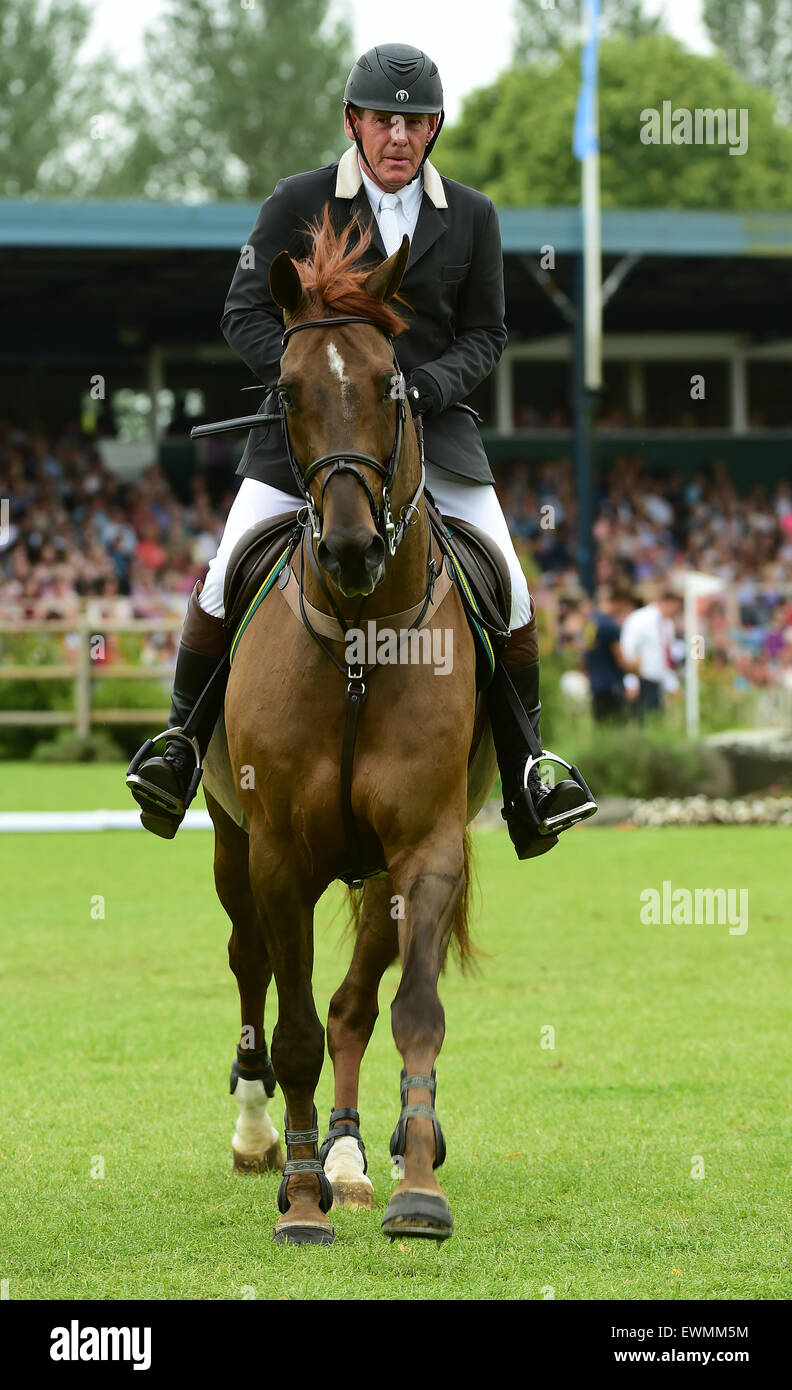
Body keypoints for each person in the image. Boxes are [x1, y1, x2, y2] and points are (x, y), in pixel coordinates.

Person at [127, 42, 597, 857]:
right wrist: (316, 383)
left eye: (415, 123)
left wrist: (424, 389)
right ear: (354, 122)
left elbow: (487, 333)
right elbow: (244, 314)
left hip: (433, 441)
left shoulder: (474, 216)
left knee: (513, 592)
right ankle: (177, 747)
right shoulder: (298, 201)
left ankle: (530, 774)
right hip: (306, 443)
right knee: (219, 579)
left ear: (434, 129)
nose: (398, 137)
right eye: (383, 120)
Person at [620, 590, 682, 715]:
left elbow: (665, 656)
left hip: (657, 681)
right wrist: (631, 681)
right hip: (641, 681)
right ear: (668, 603)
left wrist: (672, 684)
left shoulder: (667, 624)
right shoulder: (639, 619)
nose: (676, 613)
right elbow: (628, 650)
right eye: (676, 609)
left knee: (656, 718)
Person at [584, 586, 640, 722]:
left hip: (596, 684)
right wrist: (637, 664)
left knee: (601, 728)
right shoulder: (610, 626)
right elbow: (622, 661)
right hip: (612, 686)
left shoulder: (592, 621)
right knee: (616, 728)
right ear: (620, 601)